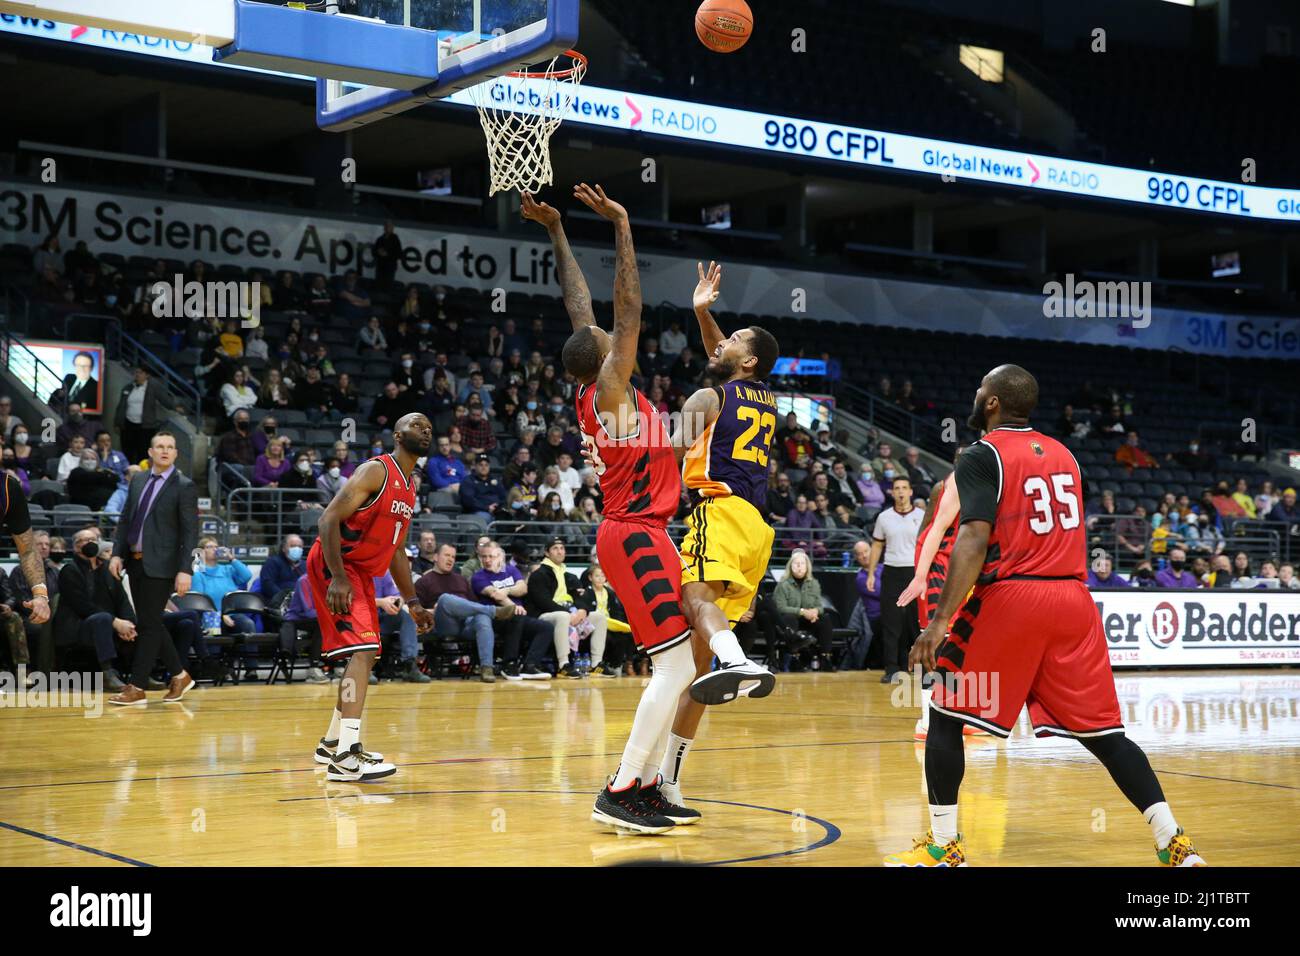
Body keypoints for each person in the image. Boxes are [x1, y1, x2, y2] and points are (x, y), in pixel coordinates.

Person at [888, 364, 1205, 867]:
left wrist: (940, 619)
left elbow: (972, 537)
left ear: (992, 402)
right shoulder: (1066, 455)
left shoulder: (981, 453)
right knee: (1106, 735)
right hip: (1074, 602)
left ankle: (944, 848)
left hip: (1016, 599)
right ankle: (1175, 844)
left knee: (944, 715)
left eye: (979, 390)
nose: (974, 395)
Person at [523, 185, 693, 833]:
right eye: (603, 339)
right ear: (604, 361)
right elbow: (626, 308)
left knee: (675, 663)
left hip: (640, 533)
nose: (596, 326)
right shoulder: (612, 390)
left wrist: (559, 231)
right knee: (675, 665)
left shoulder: (590, 387)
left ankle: (646, 784)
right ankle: (620, 789)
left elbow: (580, 304)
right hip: (636, 534)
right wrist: (622, 224)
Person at [306, 415, 433, 780]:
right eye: (416, 425)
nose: (425, 430)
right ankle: (346, 756)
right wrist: (339, 578)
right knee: (363, 651)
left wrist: (412, 602)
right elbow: (328, 520)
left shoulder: (410, 487)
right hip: (338, 564)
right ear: (397, 435)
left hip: (360, 572)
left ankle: (332, 742)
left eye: (428, 427)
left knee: (368, 652)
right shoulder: (376, 471)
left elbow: (396, 551)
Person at [107, 431, 198, 705]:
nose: (165, 451)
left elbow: (190, 533)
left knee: (148, 625)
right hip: (134, 561)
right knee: (151, 623)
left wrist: (186, 569)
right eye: (160, 446)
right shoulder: (138, 479)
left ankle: (136, 687)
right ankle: (180, 676)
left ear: (176, 454)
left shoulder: (184, 485)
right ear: (150, 452)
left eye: (170, 447)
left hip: (164, 565)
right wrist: (116, 554)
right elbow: (125, 521)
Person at [54, 528, 137, 691]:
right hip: (77, 626)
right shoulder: (69, 570)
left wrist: (130, 623)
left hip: (106, 623)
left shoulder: (108, 568)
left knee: (139, 622)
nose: (90, 543)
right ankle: (107, 675)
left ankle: (139, 675)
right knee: (103, 619)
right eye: (84, 540)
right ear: (76, 547)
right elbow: (82, 606)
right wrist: (115, 622)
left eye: (93, 539)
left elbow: (123, 601)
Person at [413, 542, 504, 683]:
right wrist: (433, 609)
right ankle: (493, 611)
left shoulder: (461, 579)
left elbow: (473, 605)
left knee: (482, 616)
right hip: (443, 623)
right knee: (445, 599)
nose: (450, 559)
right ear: (436, 557)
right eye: (447, 555)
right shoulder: (424, 581)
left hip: (466, 624)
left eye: (453, 557)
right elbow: (415, 610)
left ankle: (487, 668)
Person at [866, 475, 924, 682]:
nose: (900, 492)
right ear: (892, 492)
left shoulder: (922, 515)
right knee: (892, 622)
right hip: (891, 572)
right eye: (896, 488)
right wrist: (872, 573)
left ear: (910, 492)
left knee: (916, 623)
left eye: (904, 488)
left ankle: (922, 669)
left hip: (915, 573)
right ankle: (892, 668)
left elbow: (928, 545)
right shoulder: (883, 517)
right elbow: (877, 545)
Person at [525, 538, 607, 679]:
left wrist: (582, 611)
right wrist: (568, 613)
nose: (560, 551)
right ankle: (563, 664)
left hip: (570, 612)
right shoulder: (539, 575)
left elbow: (581, 597)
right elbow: (543, 601)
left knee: (599, 617)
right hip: (546, 614)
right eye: (555, 548)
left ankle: (596, 664)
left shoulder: (569, 576)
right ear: (547, 553)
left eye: (562, 548)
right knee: (563, 617)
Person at [471, 544, 554, 680]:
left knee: (546, 628)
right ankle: (509, 664)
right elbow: (495, 595)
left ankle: (530, 665)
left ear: (500, 557)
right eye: (484, 556)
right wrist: (514, 607)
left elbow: (523, 588)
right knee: (516, 617)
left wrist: (507, 590)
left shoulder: (511, 570)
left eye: (491, 556)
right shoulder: (479, 577)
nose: (487, 560)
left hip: (518, 617)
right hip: (495, 617)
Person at [771, 550, 833, 667]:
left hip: (809, 620)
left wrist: (816, 611)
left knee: (825, 619)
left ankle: (825, 657)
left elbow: (819, 605)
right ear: (790, 566)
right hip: (791, 621)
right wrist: (802, 612)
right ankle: (794, 657)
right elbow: (780, 608)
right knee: (789, 618)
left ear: (807, 566)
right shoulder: (783, 585)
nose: (799, 566)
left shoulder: (813, 583)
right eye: (796, 563)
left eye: (802, 563)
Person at [259, 534, 305, 601]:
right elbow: (268, 584)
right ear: (283, 548)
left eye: (300, 547)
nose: (297, 549)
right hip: (278, 602)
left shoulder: (305, 565)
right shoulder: (272, 562)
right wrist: (285, 598)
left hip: (301, 603)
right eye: (293, 546)